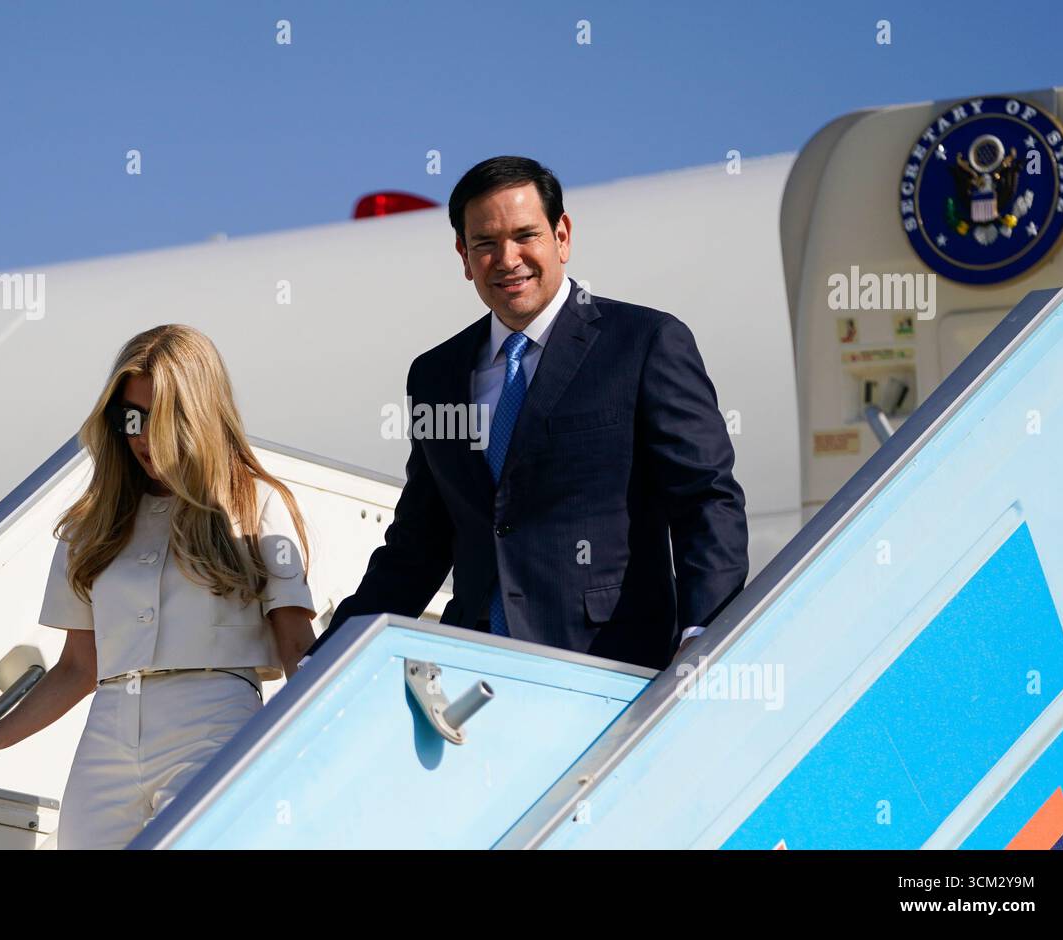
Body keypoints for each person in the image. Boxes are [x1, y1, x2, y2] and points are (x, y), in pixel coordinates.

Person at [303, 155, 747, 672]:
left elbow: (705, 499)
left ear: (562, 235)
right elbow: (418, 545)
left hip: (611, 665)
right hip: (474, 668)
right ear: (464, 256)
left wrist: (703, 634)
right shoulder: (436, 375)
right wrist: (326, 657)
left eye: (525, 236)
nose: (507, 258)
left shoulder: (643, 344)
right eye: (485, 243)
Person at [0, 324, 317, 848]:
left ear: (197, 415)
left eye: (156, 419)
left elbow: (297, 644)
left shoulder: (256, 502)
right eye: (127, 418)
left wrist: (320, 740)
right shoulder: (95, 524)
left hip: (215, 718)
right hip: (108, 732)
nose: (139, 436)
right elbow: (77, 667)